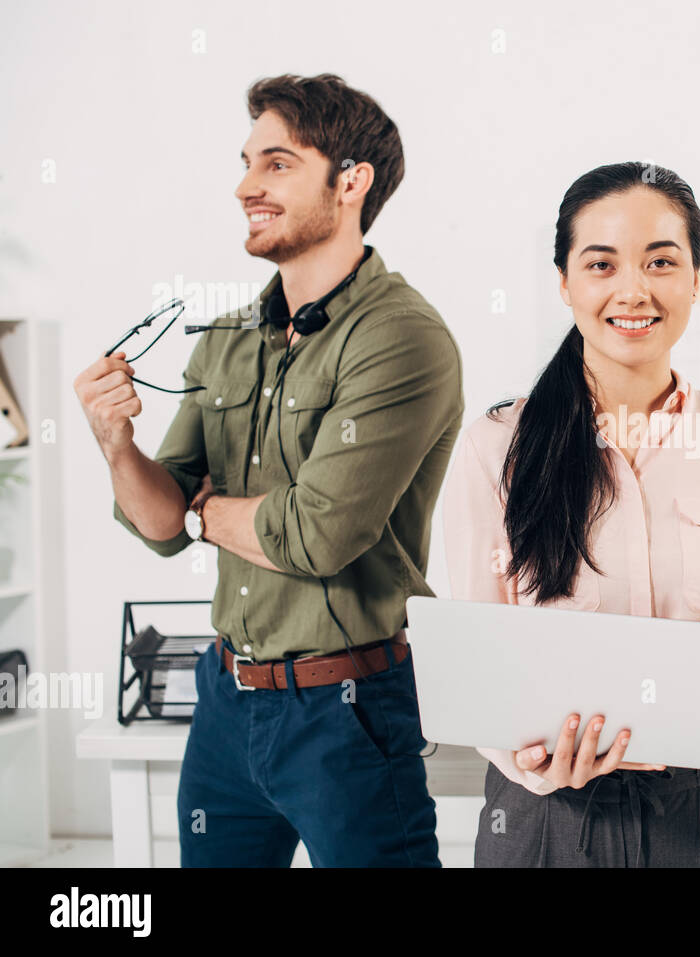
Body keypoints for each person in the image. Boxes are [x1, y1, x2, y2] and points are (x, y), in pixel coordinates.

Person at [73, 73, 463, 866]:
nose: (246, 185)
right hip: (224, 702)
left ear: (351, 182)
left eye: (277, 164)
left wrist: (202, 512)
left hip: (348, 710)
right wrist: (116, 444)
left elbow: (317, 533)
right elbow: (158, 524)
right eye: (248, 162)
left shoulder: (403, 337)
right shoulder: (226, 337)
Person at [442, 161, 700, 867]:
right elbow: (474, 656)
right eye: (602, 263)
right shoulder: (498, 448)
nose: (632, 290)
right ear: (565, 283)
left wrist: (698, 665)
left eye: (661, 261)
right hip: (545, 812)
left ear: (696, 279)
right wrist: (530, 762)